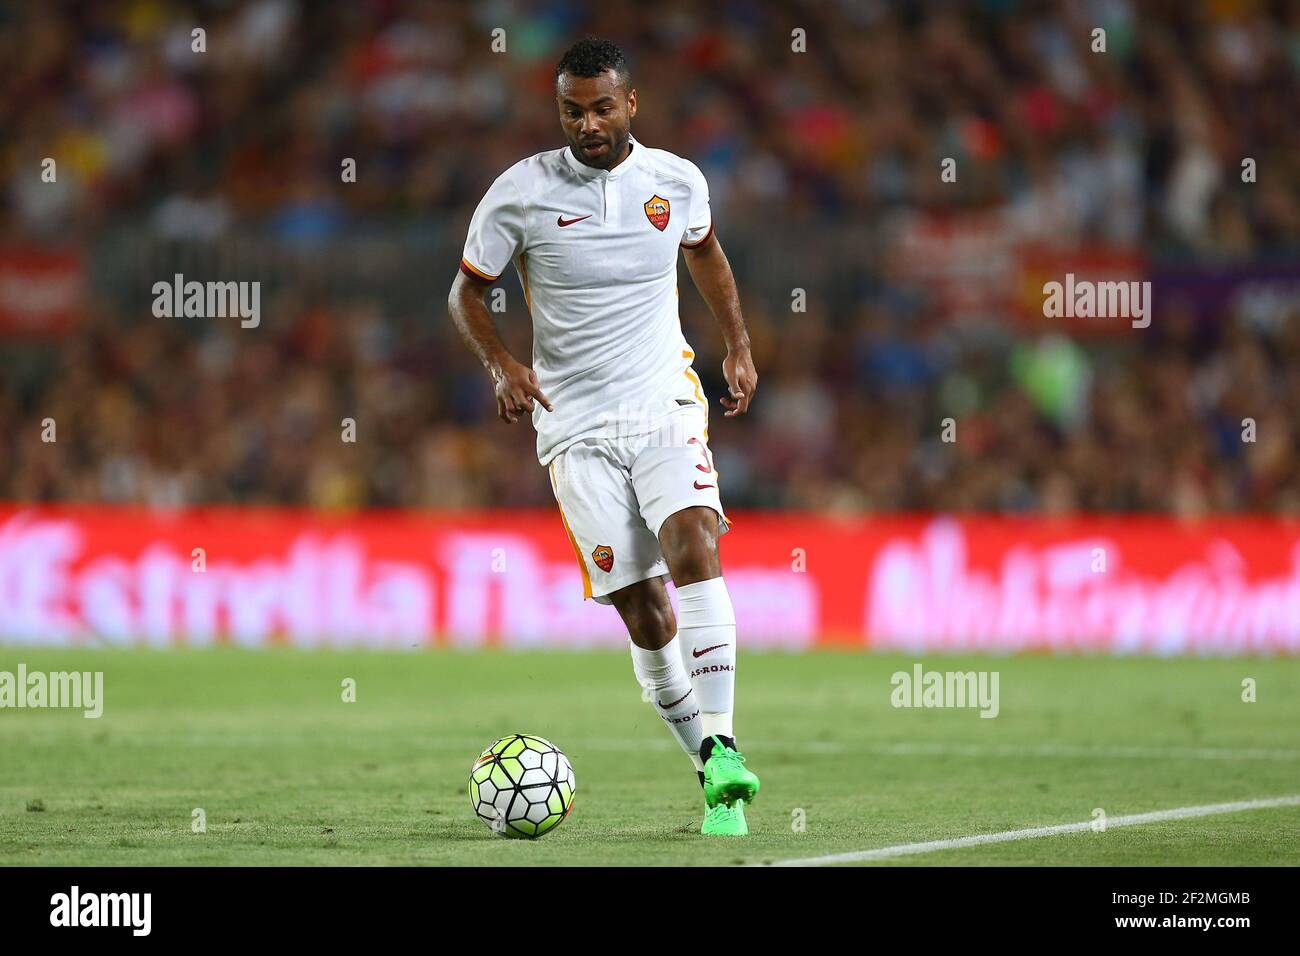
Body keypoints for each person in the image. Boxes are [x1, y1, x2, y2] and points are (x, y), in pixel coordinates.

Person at [448, 37, 760, 836]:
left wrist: (739, 343)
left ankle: (725, 748)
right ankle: (706, 764)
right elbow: (466, 294)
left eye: (601, 107)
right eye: (571, 110)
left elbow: (707, 255)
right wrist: (501, 365)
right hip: (574, 424)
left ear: (631, 104)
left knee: (695, 543)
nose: (587, 123)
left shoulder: (676, 182)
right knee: (647, 615)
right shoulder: (519, 192)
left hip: (663, 402)